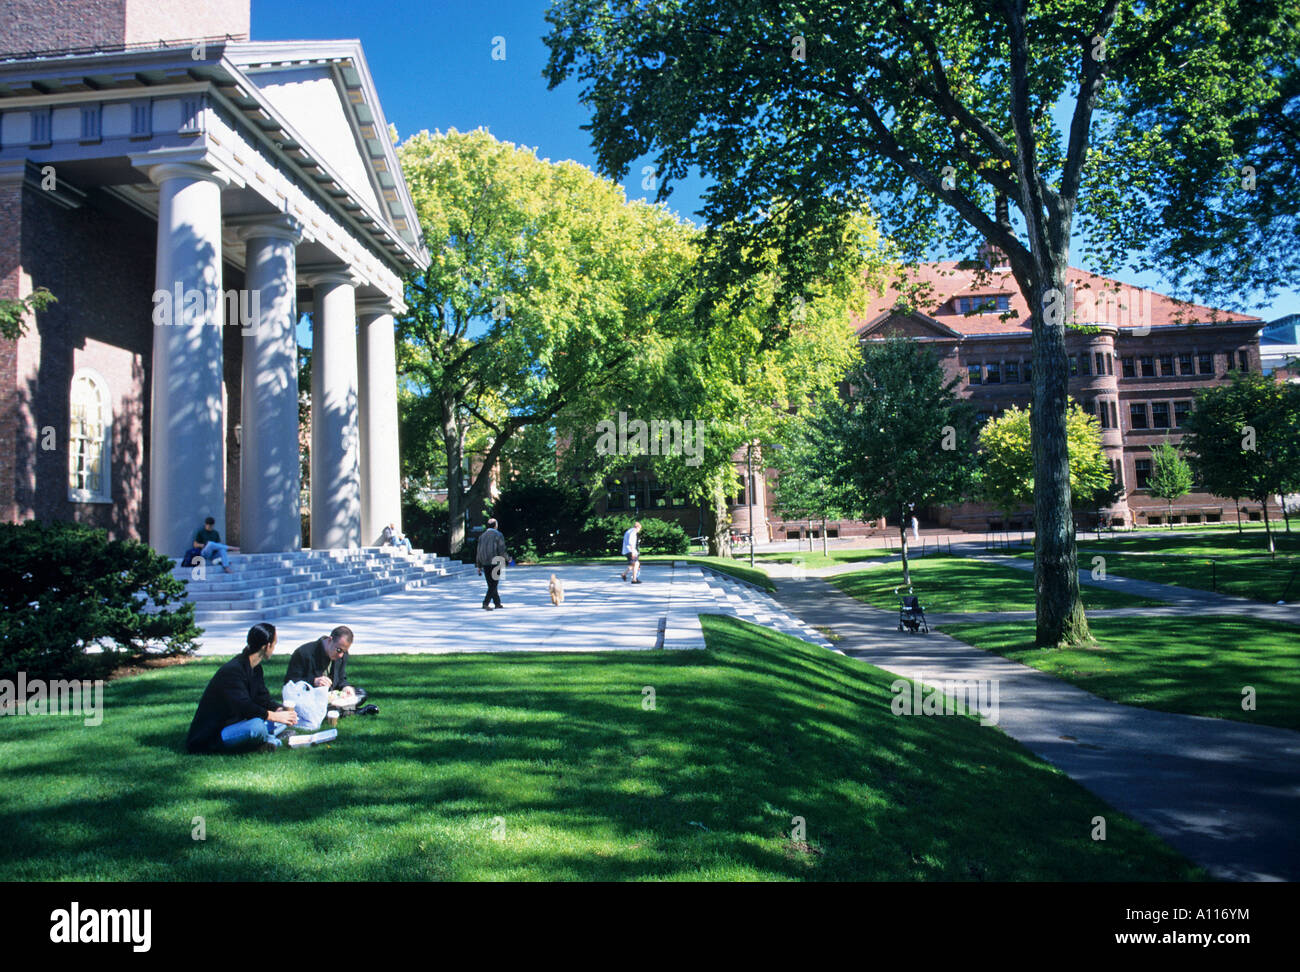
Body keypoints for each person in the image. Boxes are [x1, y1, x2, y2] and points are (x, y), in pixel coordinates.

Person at [186, 622, 298, 753]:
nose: (274, 648)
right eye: (274, 644)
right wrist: (272, 715)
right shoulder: (233, 671)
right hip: (215, 733)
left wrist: (278, 710)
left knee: (280, 720)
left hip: (239, 722)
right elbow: (244, 706)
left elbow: (262, 698)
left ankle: (268, 738)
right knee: (257, 726)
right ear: (267, 646)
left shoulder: (255, 668)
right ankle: (269, 740)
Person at [284, 625, 368, 709]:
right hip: (311, 695)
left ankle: (341, 709)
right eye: (339, 650)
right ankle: (351, 710)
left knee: (361, 693)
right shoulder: (304, 653)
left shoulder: (342, 655)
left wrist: (346, 687)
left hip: (332, 696)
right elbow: (290, 682)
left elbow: (341, 678)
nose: (341, 655)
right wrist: (314, 681)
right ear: (330, 640)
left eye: (344, 651)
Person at [475, 518, 507, 610]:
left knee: (491, 584)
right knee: (493, 584)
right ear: (495, 525)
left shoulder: (482, 536)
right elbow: (501, 550)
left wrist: (479, 565)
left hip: (485, 562)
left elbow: (478, 551)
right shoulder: (498, 535)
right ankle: (485, 603)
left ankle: (497, 603)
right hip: (496, 561)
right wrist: (507, 558)